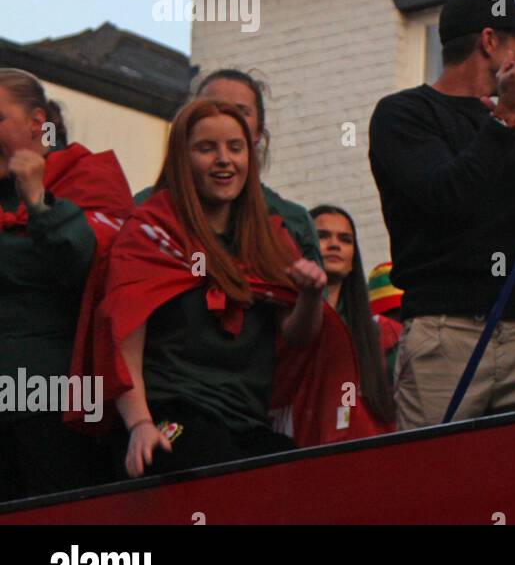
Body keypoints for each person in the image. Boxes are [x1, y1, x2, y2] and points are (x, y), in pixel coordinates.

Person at [86, 99, 379, 479]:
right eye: (207, 149)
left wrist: (309, 296)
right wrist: (140, 425)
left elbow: (297, 338)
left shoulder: (270, 240)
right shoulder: (149, 235)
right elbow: (123, 340)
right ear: (181, 159)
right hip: (172, 415)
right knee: (222, 476)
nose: (224, 159)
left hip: (247, 423)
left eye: (235, 148)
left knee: (305, 481)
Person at [369, 0, 515, 428]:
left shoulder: (508, 128)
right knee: (439, 479)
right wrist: (504, 118)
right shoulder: (405, 113)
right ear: (490, 42)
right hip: (445, 332)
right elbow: (446, 197)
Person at [0, 69, 133, 500]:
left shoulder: (87, 176)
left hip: (54, 397)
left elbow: (87, 265)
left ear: (37, 122)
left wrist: (39, 201)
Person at [136, 68, 321, 265]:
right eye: (212, 106)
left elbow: (313, 292)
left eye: (241, 111)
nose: (225, 117)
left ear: (259, 130)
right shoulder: (147, 209)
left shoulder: (292, 221)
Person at [311, 204, 397, 426]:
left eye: (345, 240)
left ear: (353, 260)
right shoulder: (282, 323)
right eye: (322, 236)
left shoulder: (380, 333)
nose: (334, 245)